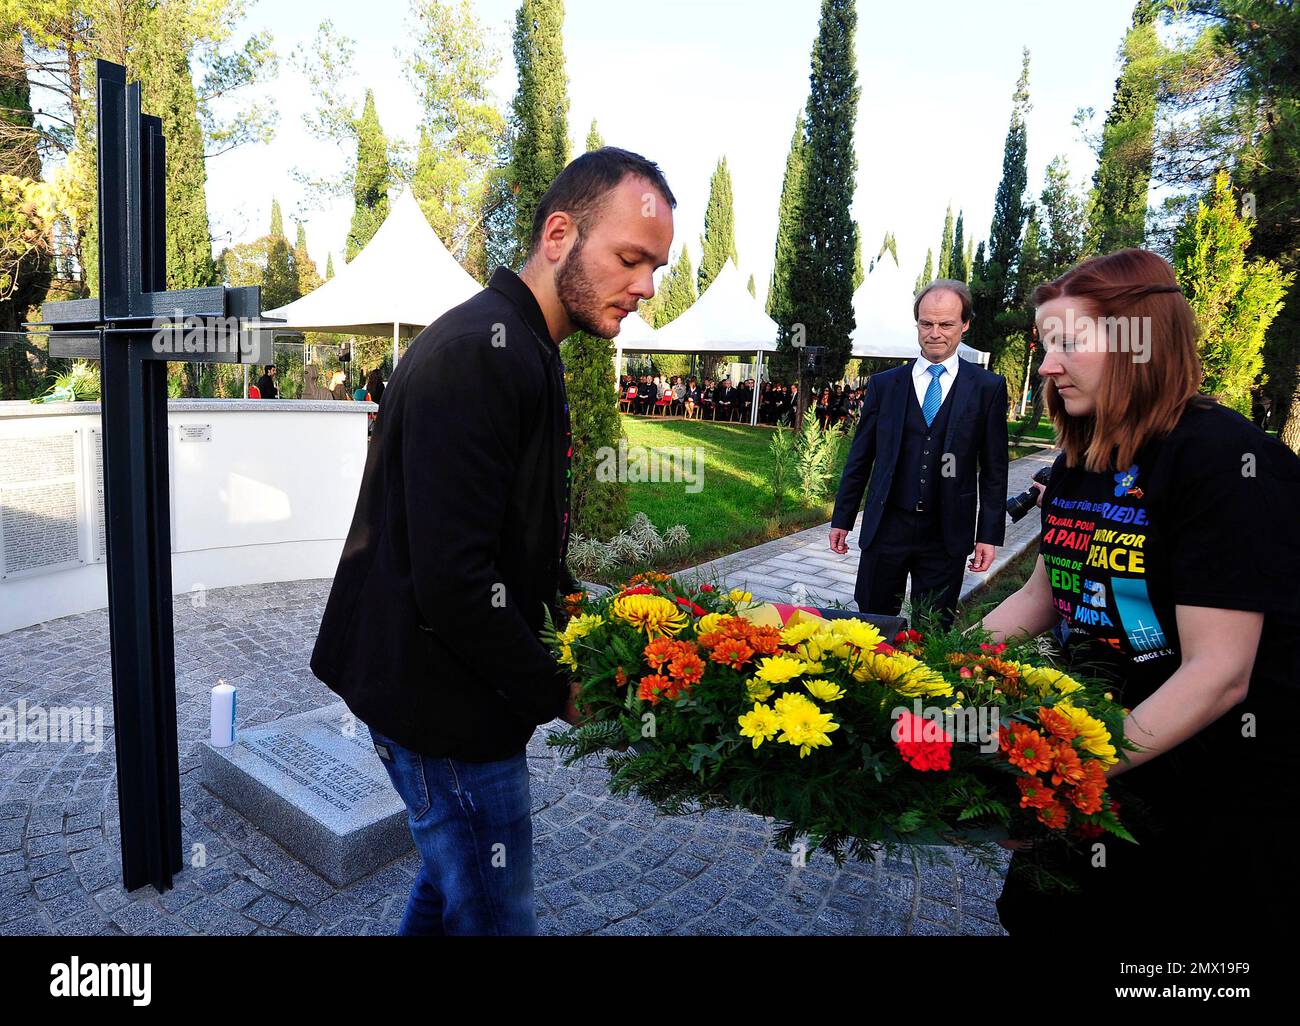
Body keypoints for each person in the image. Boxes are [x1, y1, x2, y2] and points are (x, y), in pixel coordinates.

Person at [310, 146, 675, 936]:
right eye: (630, 258)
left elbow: (518, 543)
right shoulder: (483, 352)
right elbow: (456, 581)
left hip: (457, 691)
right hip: (441, 709)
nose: (645, 288)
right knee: (496, 915)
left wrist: (593, 619)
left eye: (655, 267)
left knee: (451, 887)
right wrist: (558, 689)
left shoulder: (523, 345)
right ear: (557, 235)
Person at [982, 248, 1300, 938]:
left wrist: (1064, 776)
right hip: (1096, 765)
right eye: (1045, 345)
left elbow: (1219, 675)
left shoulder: (1221, 461)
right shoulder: (1082, 458)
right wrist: (936, 670)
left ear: (1140, 344)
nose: (1045, 366)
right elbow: (1045, 594)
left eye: (1069, 344)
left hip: (1197, 803)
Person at [829, 278, 1008, 629]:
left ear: (965, 324)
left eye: (946, 324)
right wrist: (842, 518)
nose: (935, 333)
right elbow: (860, 458)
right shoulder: (885, 385)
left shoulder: (987, 388)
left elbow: (994, 469)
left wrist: (988, 534)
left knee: (933, 628)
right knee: (870, 625)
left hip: (947, 534)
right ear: (917, 324)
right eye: (926, 323)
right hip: (887, 528)